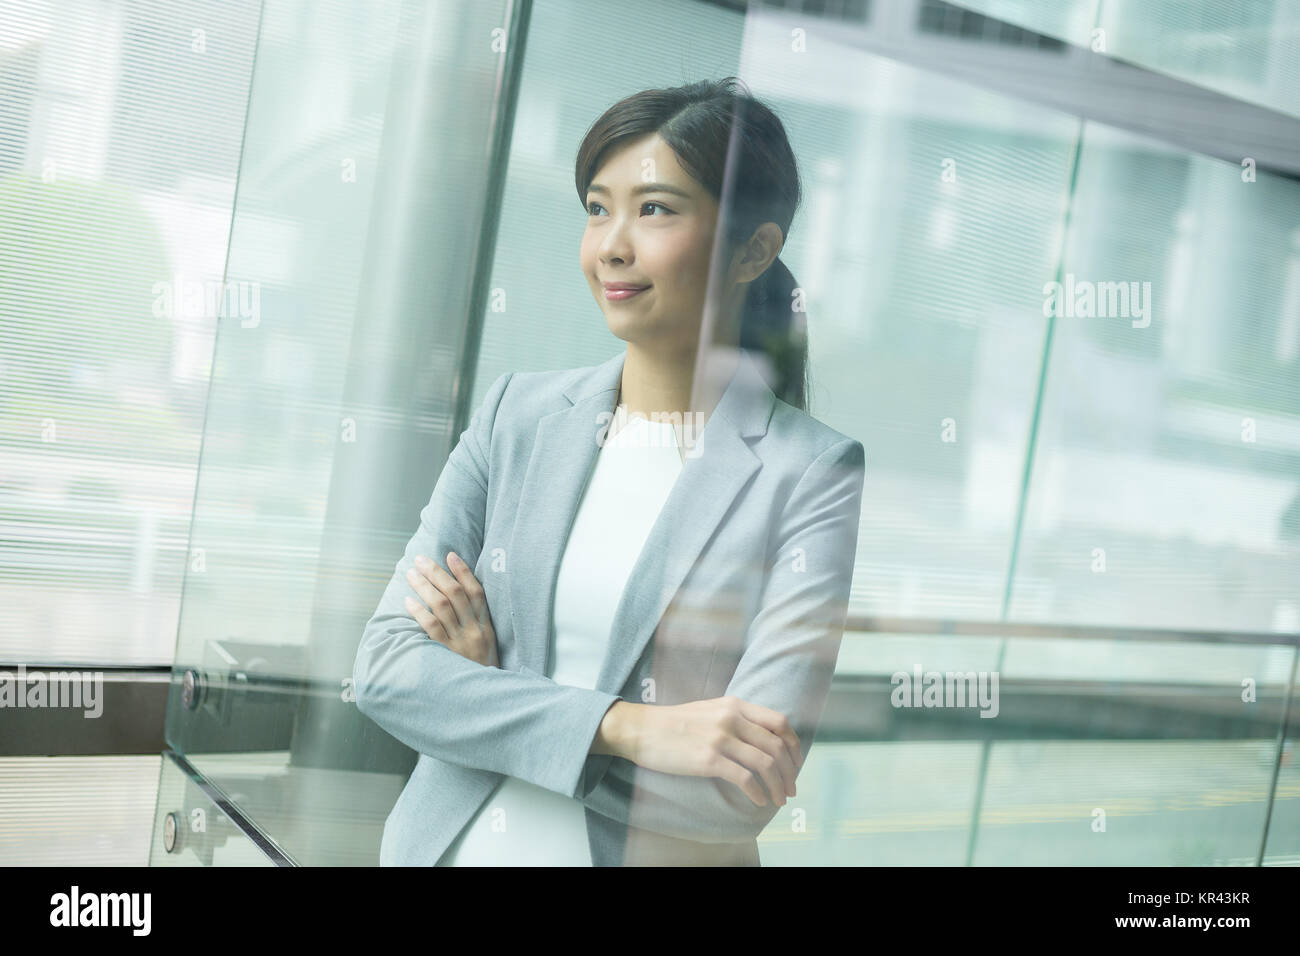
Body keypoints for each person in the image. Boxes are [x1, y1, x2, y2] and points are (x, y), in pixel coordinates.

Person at [353, 77, 866, 866]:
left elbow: (733, 795)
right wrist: (639, 728)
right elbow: (389, 673)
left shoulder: (811, 472)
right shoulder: (514, 417)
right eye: (598, 208)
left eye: (655, 209)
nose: (612, 246)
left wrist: (484, 700)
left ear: (754, 249)